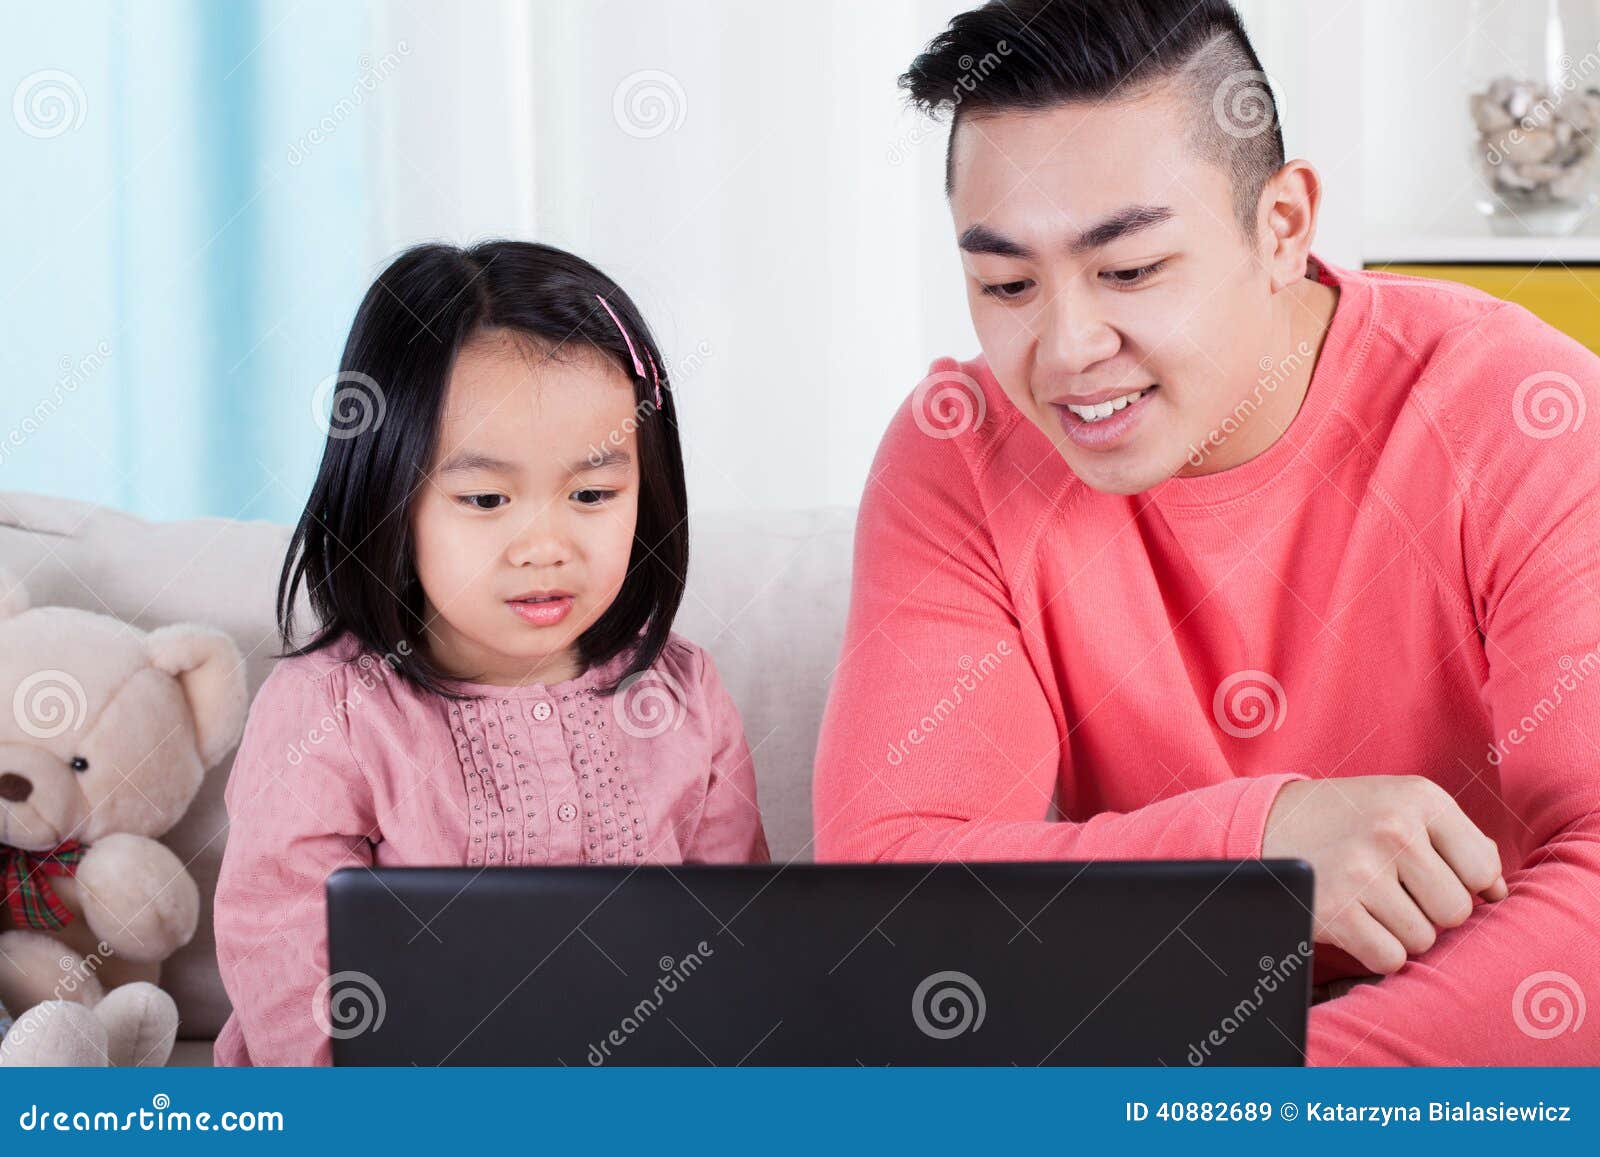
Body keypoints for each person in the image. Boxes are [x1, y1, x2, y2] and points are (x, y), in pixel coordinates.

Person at [814, 0, 1599, 1065]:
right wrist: (1261, 840)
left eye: (1130, 269)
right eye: (1006, 284)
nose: (1065, 348)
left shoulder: (1523, 410)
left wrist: (1241, 1102)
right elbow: (891, 900)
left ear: (1281, 227)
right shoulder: (959, 449)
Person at [214, 240, 770, 1065]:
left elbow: (737, 942)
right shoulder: (332, 713)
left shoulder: (684, 694)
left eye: (592, 493)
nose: (544, 545)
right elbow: (285, 961)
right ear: (388, 495)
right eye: (484, 498)